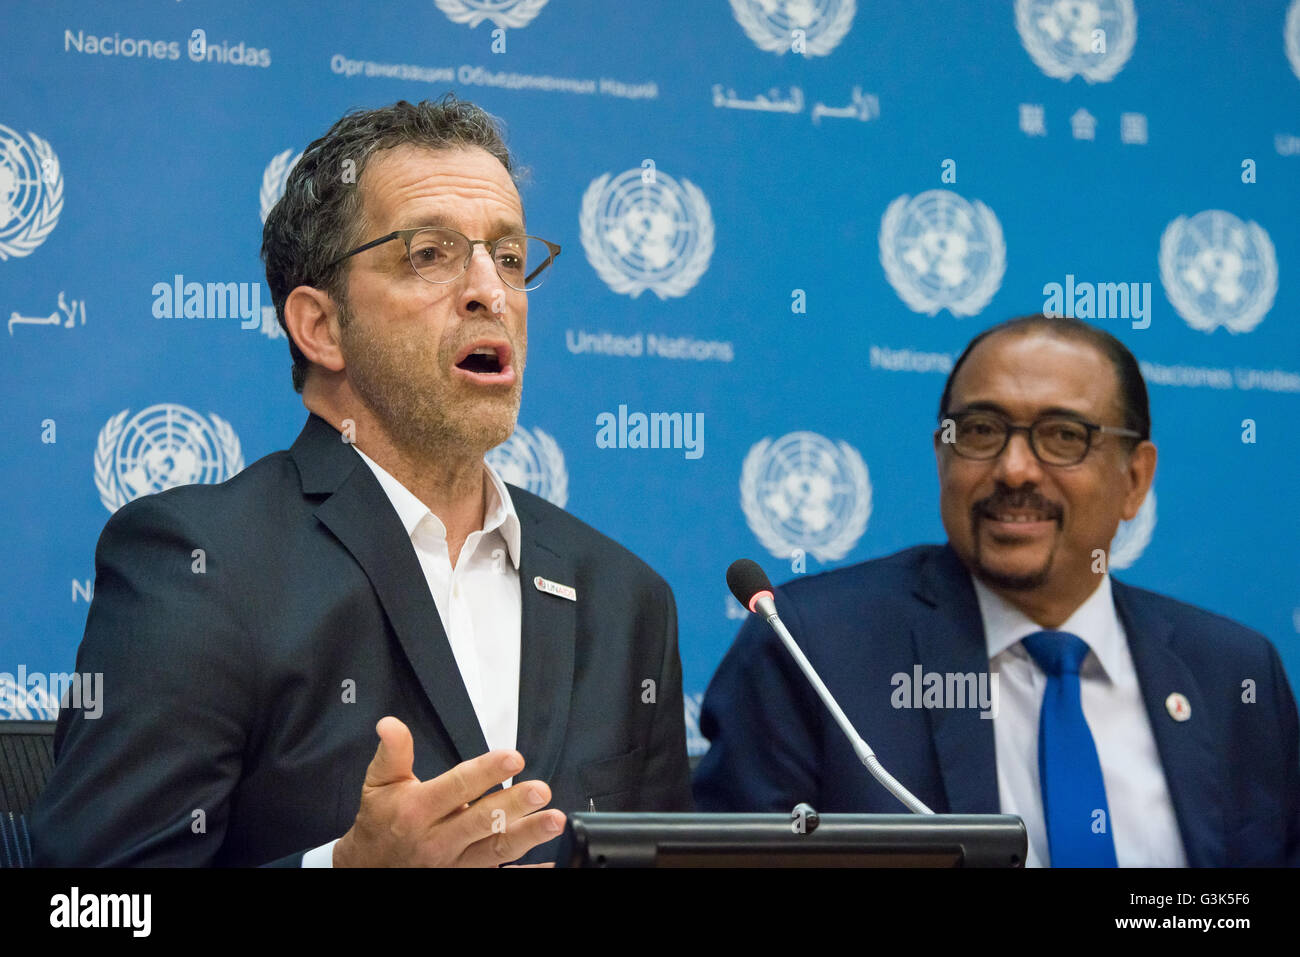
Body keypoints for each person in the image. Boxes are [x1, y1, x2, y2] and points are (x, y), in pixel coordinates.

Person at [32, 96, 692, 867]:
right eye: (429, 254)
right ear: (321, 326)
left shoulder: (622, 596)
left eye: (509, 258)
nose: (491, 292)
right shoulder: (204, 565)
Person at [694, 314, 1299, 867]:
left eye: (1064, 436)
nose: (1014, 470)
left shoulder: (1232, 672)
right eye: (981, 430)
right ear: (943, 457)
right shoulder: (814, 650)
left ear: (1135, 479)